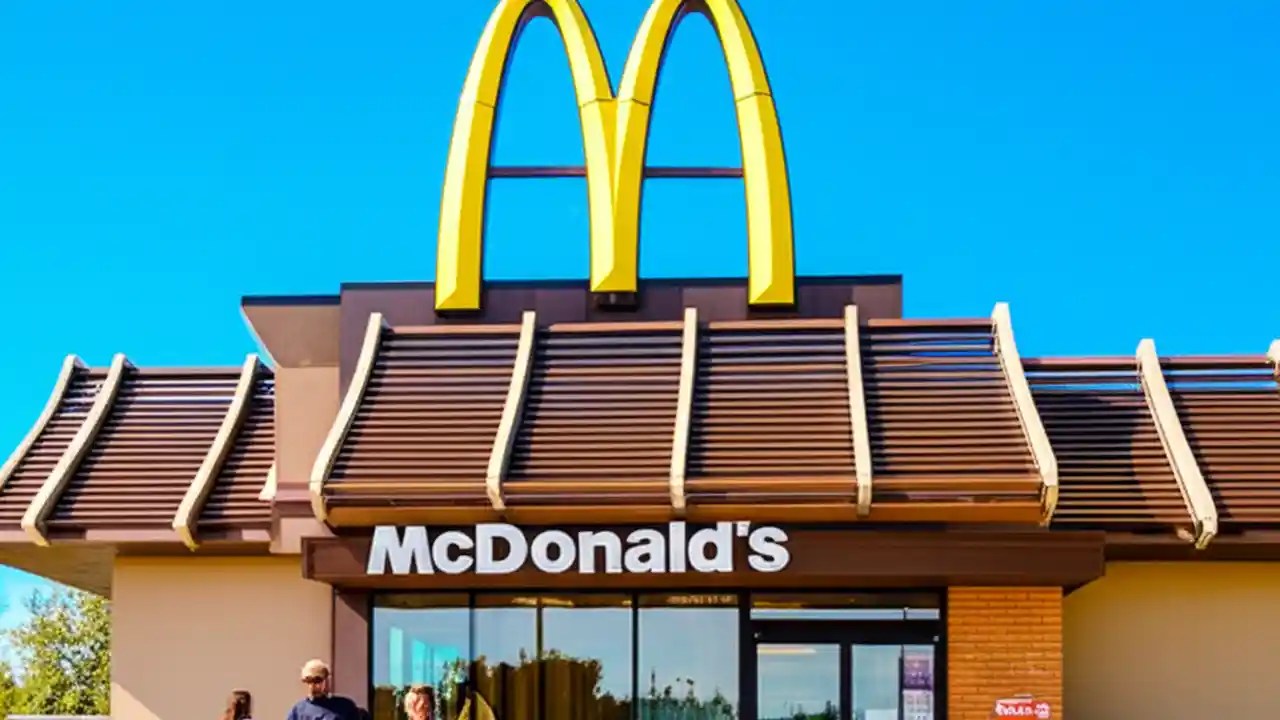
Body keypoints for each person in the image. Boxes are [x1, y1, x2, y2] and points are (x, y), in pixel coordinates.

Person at [286, 659, 361, 720]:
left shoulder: (344, 706)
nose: (312, 686)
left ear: (326, 680)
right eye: (308, 681)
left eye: (317, 680)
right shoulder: (298, 711)